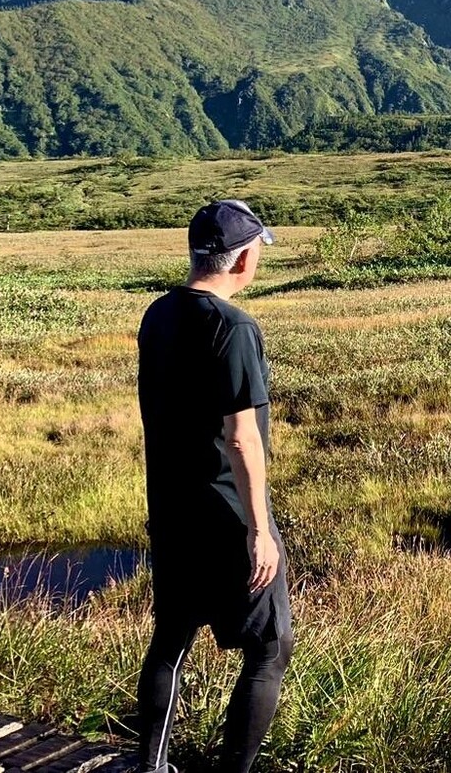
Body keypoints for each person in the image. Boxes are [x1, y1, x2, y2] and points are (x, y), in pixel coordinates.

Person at [134, 199, 293, 773]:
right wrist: (259, 531)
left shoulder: (158, 314)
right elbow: (242, 438)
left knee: (170, 641)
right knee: (269, 648)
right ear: (243, 259)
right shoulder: (235, 327)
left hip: (172, 510)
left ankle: (151, 766)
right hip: (227, 512)